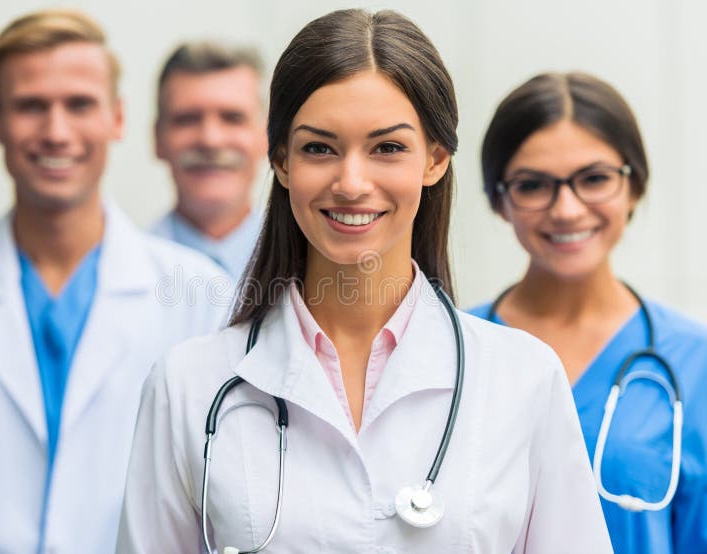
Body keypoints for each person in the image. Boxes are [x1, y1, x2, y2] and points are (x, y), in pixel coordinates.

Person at [116, 9, 612, 553]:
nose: (351, 182)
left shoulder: (526, 381)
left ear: (436, 159)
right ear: (281, 161)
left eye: (388, 148)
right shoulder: (187, 386)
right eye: (318, 148)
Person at [0, 10, 229, 553]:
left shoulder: (200, 295)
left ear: (117, 118)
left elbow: (219, 502)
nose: (56, 132)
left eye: (79, 104)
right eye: (31, 106)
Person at [470, 72, 707, 553]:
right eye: (533, 185)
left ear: (634, 185)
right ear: (499, 200)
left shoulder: (696, 362)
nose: (567, 209)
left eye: (594, 179)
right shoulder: (453, 353)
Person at [150, 41, 268, 280]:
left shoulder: (311, 269)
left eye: (232, 118)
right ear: (158, 139)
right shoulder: (127, 266)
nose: (210, 140)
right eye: (187, 120)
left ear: (267, 136)